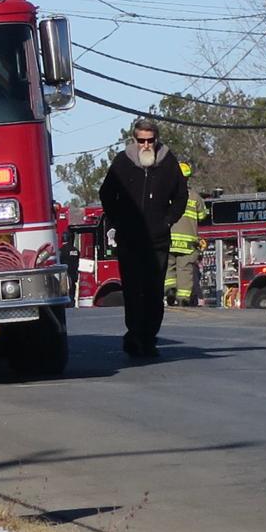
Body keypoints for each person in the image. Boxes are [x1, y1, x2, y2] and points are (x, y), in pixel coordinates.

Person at [98, 118, 187, 358]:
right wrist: (119, 220)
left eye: (150, 140)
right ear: (134, 140)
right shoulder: (122, 162)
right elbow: (106, 193)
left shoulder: (168, 162)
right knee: (133, 289)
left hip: (158, 240)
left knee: (154, 291)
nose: (146, 145)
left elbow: (181, 196)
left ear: (156, 140)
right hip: (130, 239)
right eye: (141, 141)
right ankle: (134, 335)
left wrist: (167, 220)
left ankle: (149, 337)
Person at [165, 161, 205, 306]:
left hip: (168, 241)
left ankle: (170, 289)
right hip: (187, 243)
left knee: (168, 266)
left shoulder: (164, 196)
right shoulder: (194, 197)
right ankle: (183, 298)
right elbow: (202, 216)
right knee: (185, 269)